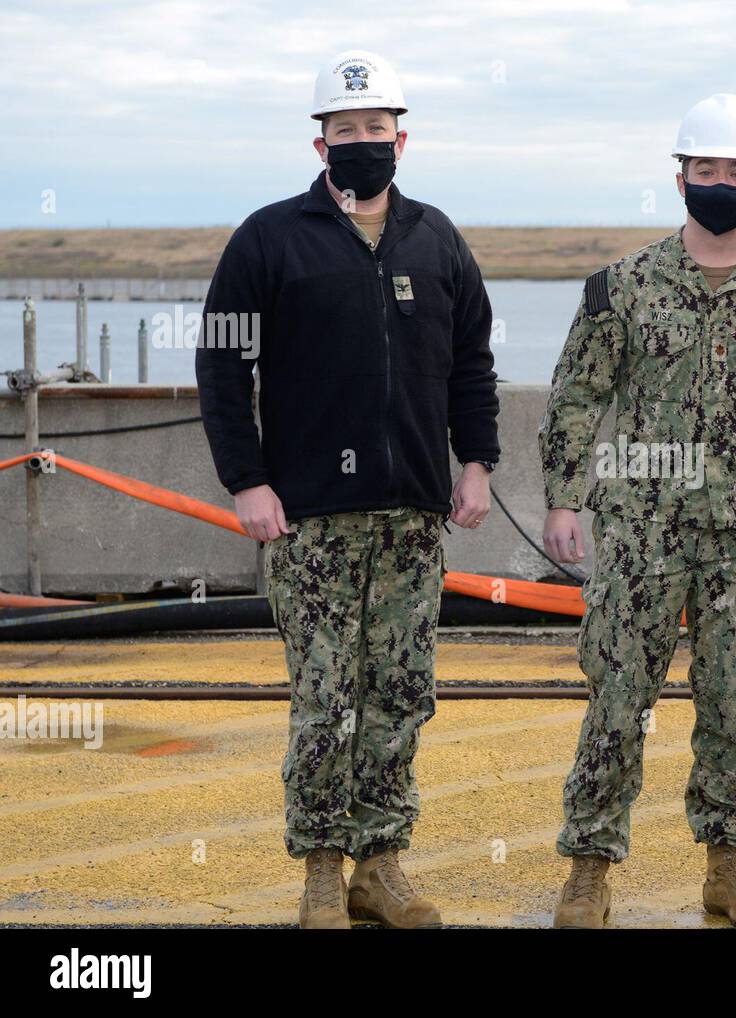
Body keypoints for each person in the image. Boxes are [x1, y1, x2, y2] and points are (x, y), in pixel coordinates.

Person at [195, 49, 499, 929]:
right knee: (326, 701)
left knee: (399, 694)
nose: (361, 139)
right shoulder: (268, 239)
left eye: (376, 127)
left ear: (401, 140)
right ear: (320, 142)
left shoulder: (436, 239)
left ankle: (381, 864)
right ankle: (322, 870)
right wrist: (247, 480)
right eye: (345, 128)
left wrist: (476, 462)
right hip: (310, 520)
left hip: (412, 514)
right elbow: (222, 365)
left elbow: (471, 362)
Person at [539, 93, 736, 929]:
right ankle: (589, 869)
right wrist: (563, 500)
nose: (722, 183)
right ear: (680, 178)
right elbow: (576, 399)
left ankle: (729, 867)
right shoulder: (621, 287)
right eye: (707, 169)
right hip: (641, 532)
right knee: (618, 697)